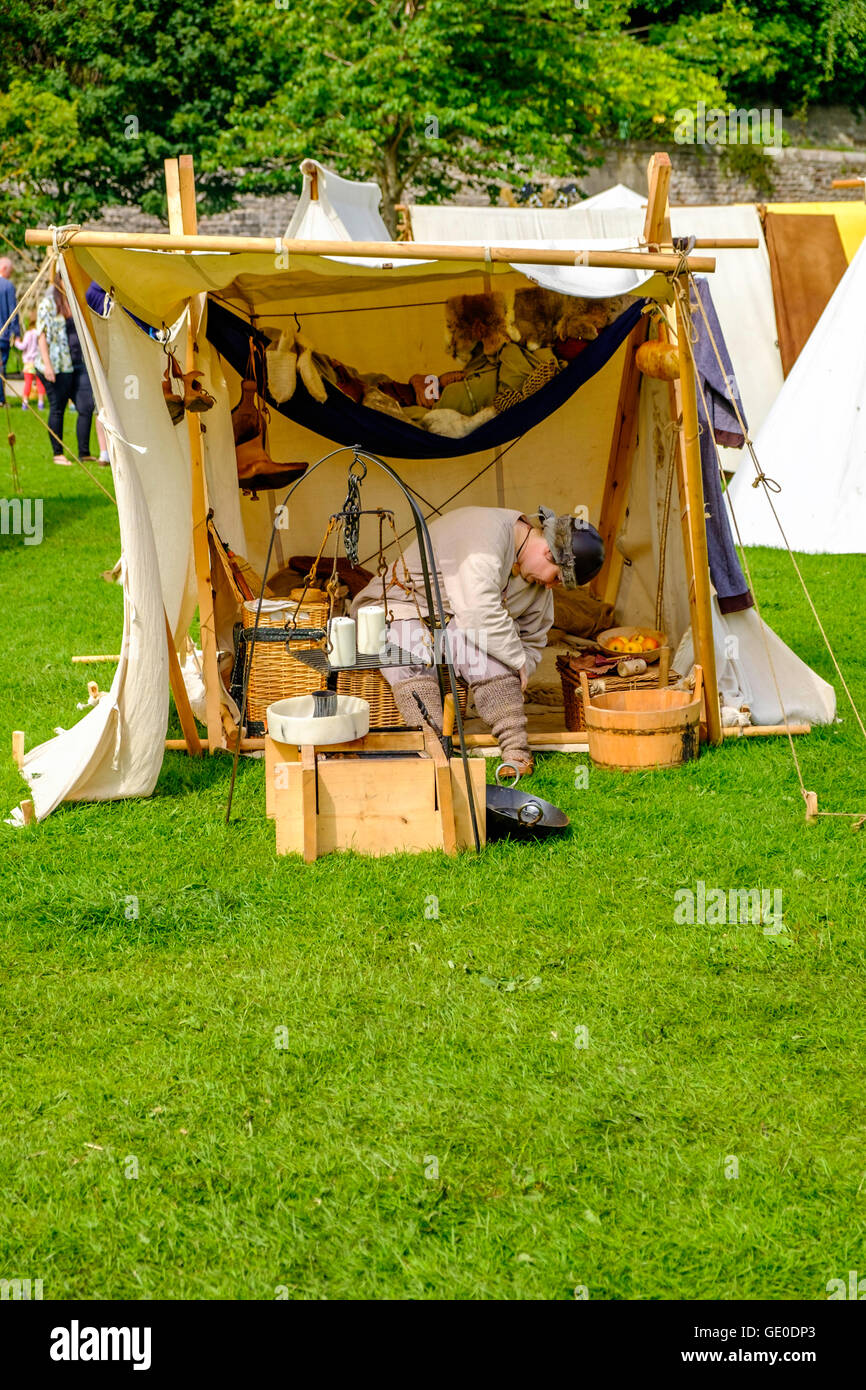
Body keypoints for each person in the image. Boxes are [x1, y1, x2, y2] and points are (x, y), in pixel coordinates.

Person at [352, 505, 605, 776]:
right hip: (401, 607)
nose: (550, 586)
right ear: (548, 553)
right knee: (407, 655)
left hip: (456, 624)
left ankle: (516, 751)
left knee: (489, 653)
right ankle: (435, 750)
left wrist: (521, 669)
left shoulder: (536, 583)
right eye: (555, 578)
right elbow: (478, 612)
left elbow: (532, 638)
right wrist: (516, 658)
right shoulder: (485, 533)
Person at [35, 284, 80, 464]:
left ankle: (67, 451)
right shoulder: (47, 303)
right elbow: (42, 335)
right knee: (56, 407)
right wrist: (47, 365)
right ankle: (57, 453)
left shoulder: (69, 300)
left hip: (66, 364)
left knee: (61, 406)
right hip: (52, 364)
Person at [0, 257, 21, 406]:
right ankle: (1, 399)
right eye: (10, 270)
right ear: (4, 269)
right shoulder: (7, 286)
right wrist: (17, 333)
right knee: (1, 368)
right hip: (3, 334)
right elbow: (13, 312)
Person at [15, 315, 46, 410]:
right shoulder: (39, 333)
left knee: (28, 383)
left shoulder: (28, 334)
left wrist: (16, 342)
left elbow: (23, 346)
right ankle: (41, 403)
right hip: (38, 362)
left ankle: (25, 403)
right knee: (40, 383)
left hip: (28, 363)